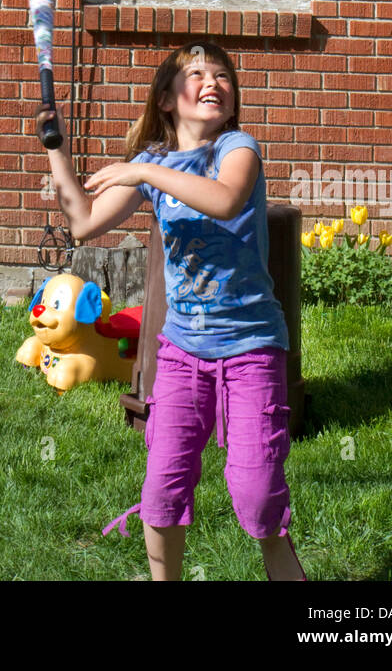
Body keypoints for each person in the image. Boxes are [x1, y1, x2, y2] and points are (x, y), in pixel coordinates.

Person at [36, 39, 306, 583]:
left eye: (223, 76)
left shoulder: (237, 148)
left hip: (251, 347)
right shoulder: (151, 163)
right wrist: (55, 148)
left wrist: (144, 173)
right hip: (183, 352)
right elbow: (84, 222)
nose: (214, 82)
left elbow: (225, 199)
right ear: (166, 99)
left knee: (255, 496)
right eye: (197, 74)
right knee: (162, 489)